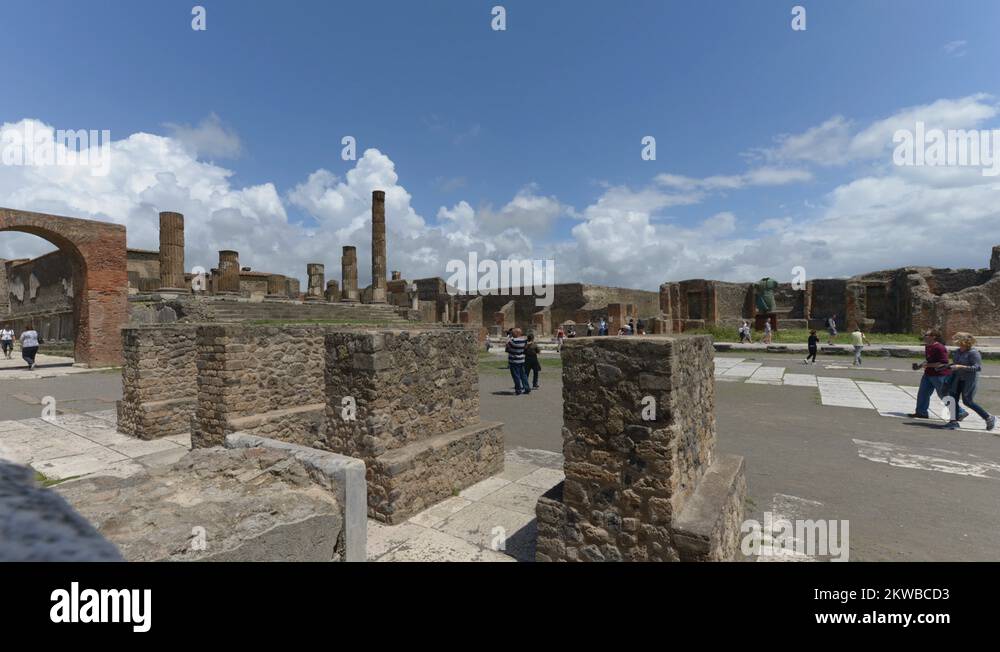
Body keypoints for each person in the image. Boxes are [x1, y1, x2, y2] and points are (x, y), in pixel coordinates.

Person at [909, 329, 967, 421]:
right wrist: (919, 366)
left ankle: (960, 412)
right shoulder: (928, 346)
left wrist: (927, 365)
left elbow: (943, 363)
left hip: (940, 375)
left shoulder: (940, 348)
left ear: (933, 337)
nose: (924, 336)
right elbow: (929, 360)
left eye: (926, 335)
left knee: (943, 395)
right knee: (923, 393)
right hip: (928, 374)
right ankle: (921, 413)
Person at [944, 333, 996, 431]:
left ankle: (988, 417)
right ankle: (953, 422)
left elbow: (977, 368)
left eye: (959, 343)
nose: (958, 345)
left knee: (967, 401)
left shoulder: (973, 353)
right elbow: (956, 363)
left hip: (969, 380)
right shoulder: (957, 351)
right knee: (952, 399)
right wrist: (947, 366)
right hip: (957, 379)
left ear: (965, 343)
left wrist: (960, 367)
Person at [505, 327, 530, 395]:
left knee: (516, 376)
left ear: (516, 333)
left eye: (513, 332)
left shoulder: (512, 341)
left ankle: (518, 390)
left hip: (514, 361)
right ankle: (527, 388)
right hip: (521, 360)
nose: (512, 333)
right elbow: (525, 347)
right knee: (523, 375)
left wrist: (508, 338)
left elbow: (507, 349)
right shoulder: (524, 341)